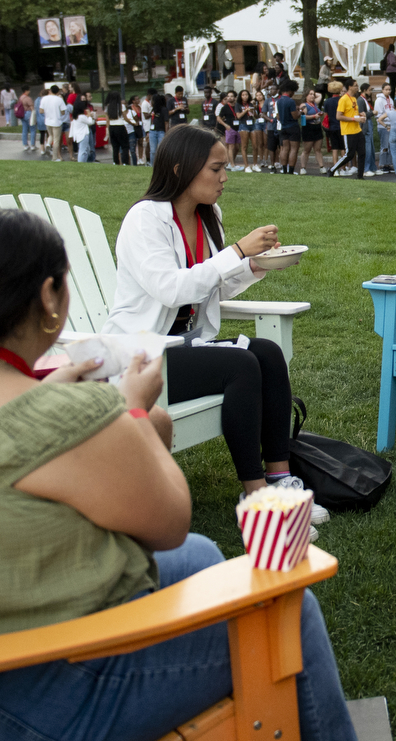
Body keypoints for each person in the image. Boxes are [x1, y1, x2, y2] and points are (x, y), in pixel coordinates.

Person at [0, 206, 356, 741]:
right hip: (15, 696)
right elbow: (168, 518)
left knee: (202, 558)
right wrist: (134, 412)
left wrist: (55, 389)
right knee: (289, 617)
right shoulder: (71, 422)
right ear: (49, 299)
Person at [103, 128, 326, 515]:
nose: (225, 177)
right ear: (181, 169)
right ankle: (257, 497)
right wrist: (237, 251)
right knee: (238, 364)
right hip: (141, 355)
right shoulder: (145, 220)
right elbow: (172, 290)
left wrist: (252, 266)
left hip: (186, 345)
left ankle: (279, 478)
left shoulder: (209, 217)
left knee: (268, 353)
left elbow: (211, 287)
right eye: (216, 168)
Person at [39, 85, 67, 161]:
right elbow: (63, 112)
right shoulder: (59, 99)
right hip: (57, 121)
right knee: (56, 140)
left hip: (48, 121)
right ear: (58, 92)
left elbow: (41, 111)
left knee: (50, 135)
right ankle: (54, 157)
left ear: (50, 90)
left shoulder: (44, 98)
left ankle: (48, 144)